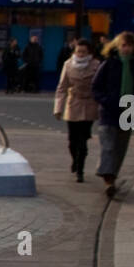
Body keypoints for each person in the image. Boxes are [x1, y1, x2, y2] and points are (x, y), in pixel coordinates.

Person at [92, 32, 134, 196]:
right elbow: (96, 87)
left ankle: (111, 176)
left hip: (128, 111)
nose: (126, 48)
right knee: (108, 146)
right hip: (109, 111)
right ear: (117, 46)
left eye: (129, 45)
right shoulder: (109, 64)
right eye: (123, 45)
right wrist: (106, 100)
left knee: (119, 148)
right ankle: (108, 180)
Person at [54, 37, 100, 182]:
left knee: (83, 139)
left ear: (89, 52)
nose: (80, 54)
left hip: (89, 104)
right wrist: (58, 108)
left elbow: (100, 86)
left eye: (83, 52)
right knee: (72, 140)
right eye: (78, 51)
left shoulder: (96, 65)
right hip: (73, 103)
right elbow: (62, 88)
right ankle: (75, 160)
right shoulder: (68, 65)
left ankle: (80, 170)